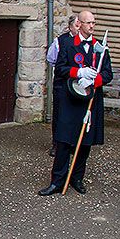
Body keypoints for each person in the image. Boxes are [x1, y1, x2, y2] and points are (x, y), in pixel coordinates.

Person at [39, 10, 113, 196]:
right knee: (64, 141)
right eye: (89, 23)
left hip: (89, 101)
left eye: (94, 23)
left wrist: (95, 80)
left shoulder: (100, 48)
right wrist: (78, 73)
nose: (92, 26)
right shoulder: (68, 44)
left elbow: (107, 74)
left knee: (84, 143)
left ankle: (77, 178)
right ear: (79, 24)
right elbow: (61, 68)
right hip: (70, 100)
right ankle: (57, 181)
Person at [47, 15, 80, 156]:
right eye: (77, 25)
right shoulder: (60, 41)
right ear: (70, 26)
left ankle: (73, 143)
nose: (79, 28)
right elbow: (51, 59)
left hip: (78, 85)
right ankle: (56, 144)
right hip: (62, 83)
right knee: (60, 114)